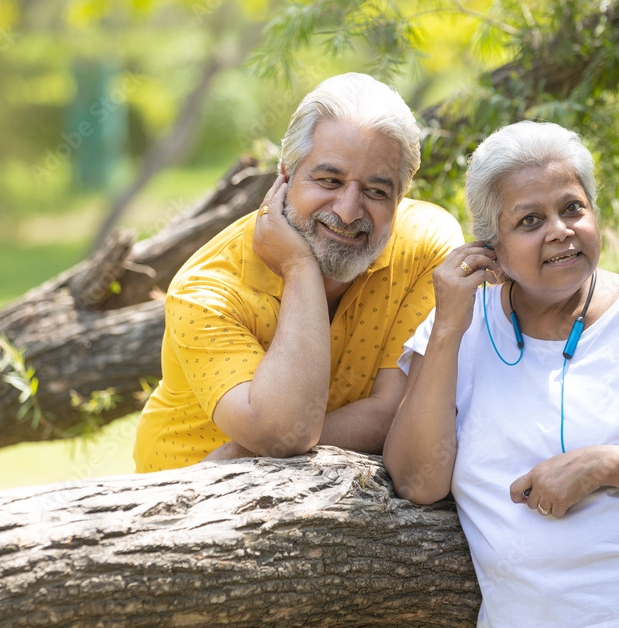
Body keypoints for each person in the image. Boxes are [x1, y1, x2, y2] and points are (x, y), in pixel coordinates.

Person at [383, 121, 619, 627]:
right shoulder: (457, 325)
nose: (560, 230)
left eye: (572, 208)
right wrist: (449, 327)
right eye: (529, 220)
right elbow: (417, 480)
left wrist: (610, 464)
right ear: (490, 246)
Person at [133, 72, 464, 471]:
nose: (347, 211)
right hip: (180, 495)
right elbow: (283, 431)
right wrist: (299, 267)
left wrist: (246, 452)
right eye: (329, 180)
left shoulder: (425, 244)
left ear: (402, 195)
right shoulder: (206, 291)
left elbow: (396, 413)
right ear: (285, 175)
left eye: (377, 191)